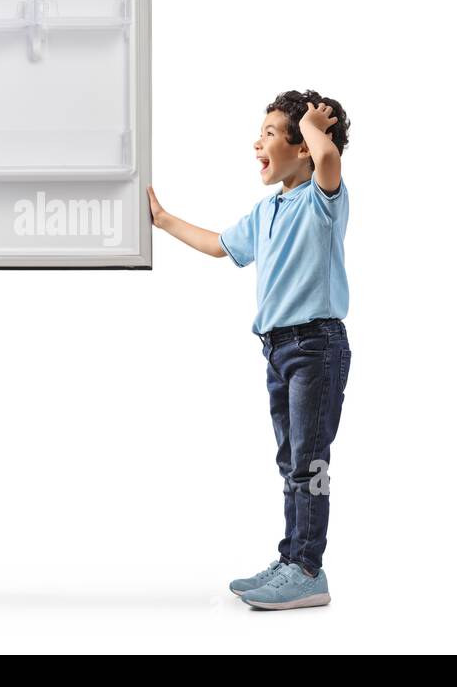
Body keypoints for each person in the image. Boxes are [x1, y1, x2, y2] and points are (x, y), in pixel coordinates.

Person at [148, 90, 352, 610]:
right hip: (278, 349)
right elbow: (219, 244)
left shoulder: (321, 198)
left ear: (302, 146)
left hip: (316, 346)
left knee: (309, 462)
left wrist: (310, 123)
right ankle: (290, 559)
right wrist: (163, 219)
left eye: (268, 134)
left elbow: (327, 158)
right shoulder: (267, 212)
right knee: (290, 459)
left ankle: (308, 569)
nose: (256, 143)